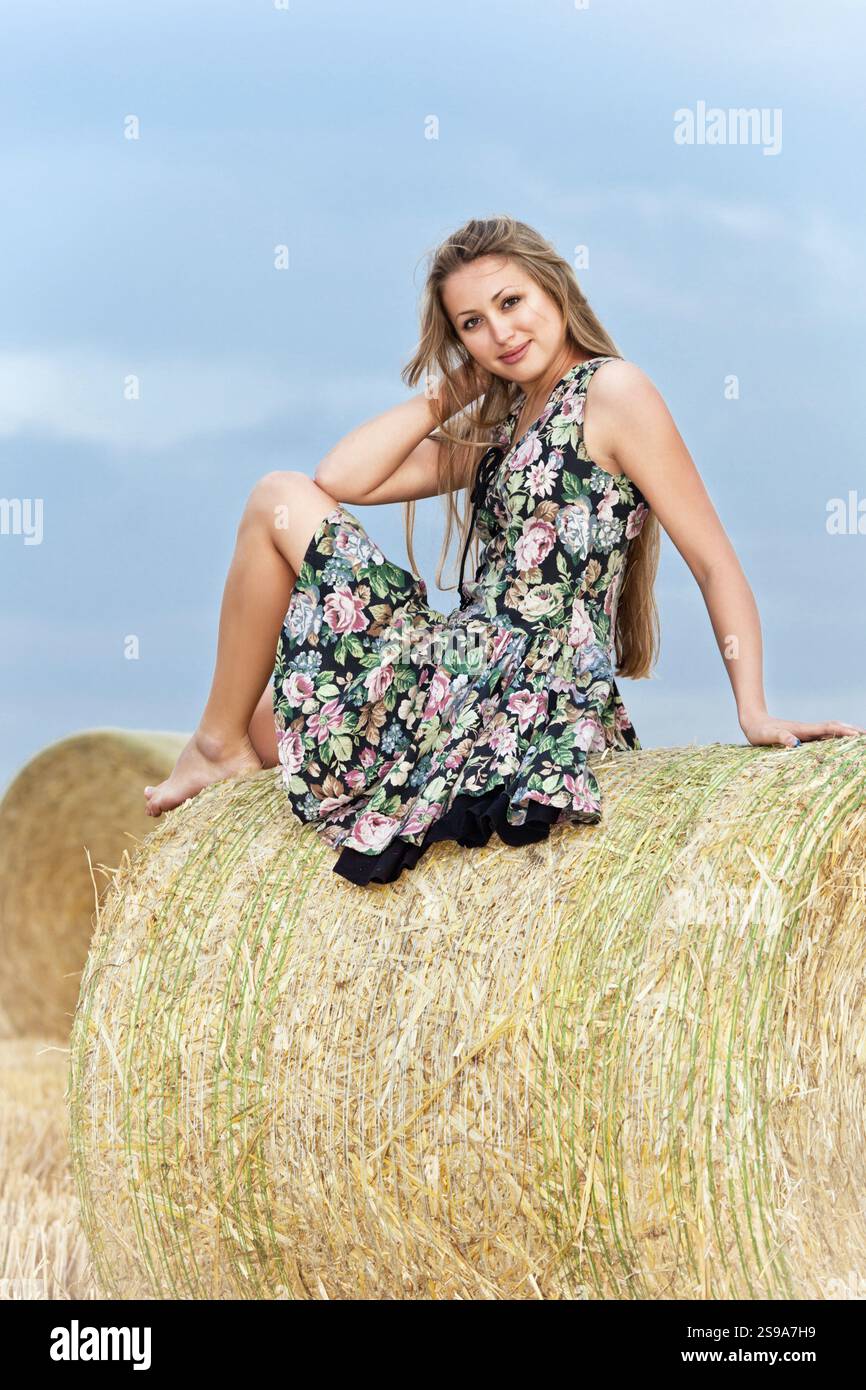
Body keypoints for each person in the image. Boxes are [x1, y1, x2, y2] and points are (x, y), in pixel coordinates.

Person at [143, 216, 864, 884]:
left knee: (276, 494)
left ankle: (212, 744)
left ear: (554, 286)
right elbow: (342, 477)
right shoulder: (501, 429)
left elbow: (713, 561)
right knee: (279, 716)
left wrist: (754, 709)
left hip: (528, 684)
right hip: (464, 665)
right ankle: (225, 742)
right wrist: (455, 389)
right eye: (473, 324)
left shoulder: (612, 392)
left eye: (512, 302)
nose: (501, 332)